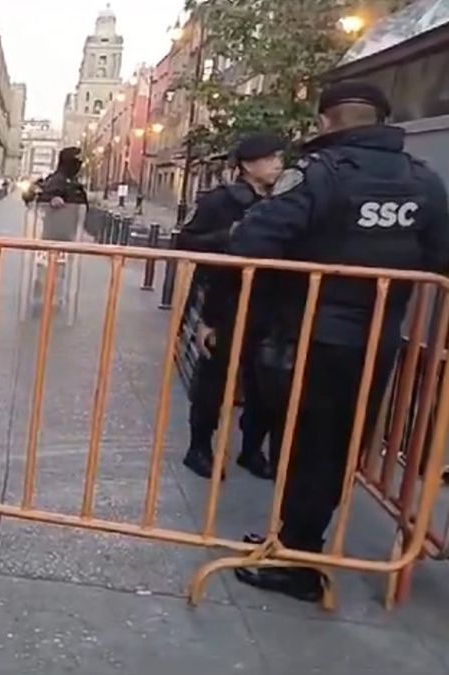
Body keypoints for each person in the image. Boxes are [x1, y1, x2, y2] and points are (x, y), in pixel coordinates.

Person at [229, 82, 449, 602]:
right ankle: (295, 542)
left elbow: (251, 241)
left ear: (327, 122)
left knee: (306, 447)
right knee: (334, 448)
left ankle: (300, 563)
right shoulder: (423, 181)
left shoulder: (316, 175)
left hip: (310, 334)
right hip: (376, 339)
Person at [176, 133, 287, 481]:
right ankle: (199, 448)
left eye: (279, 158)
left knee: (265, 383)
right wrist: (229, 236)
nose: (277, 164)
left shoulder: (287, 199)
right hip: (226, 301)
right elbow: (186, 240)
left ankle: (252, 450)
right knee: (214, 379)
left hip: (272, 303)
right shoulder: (220, 201)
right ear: (247, 166)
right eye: (270, 158)